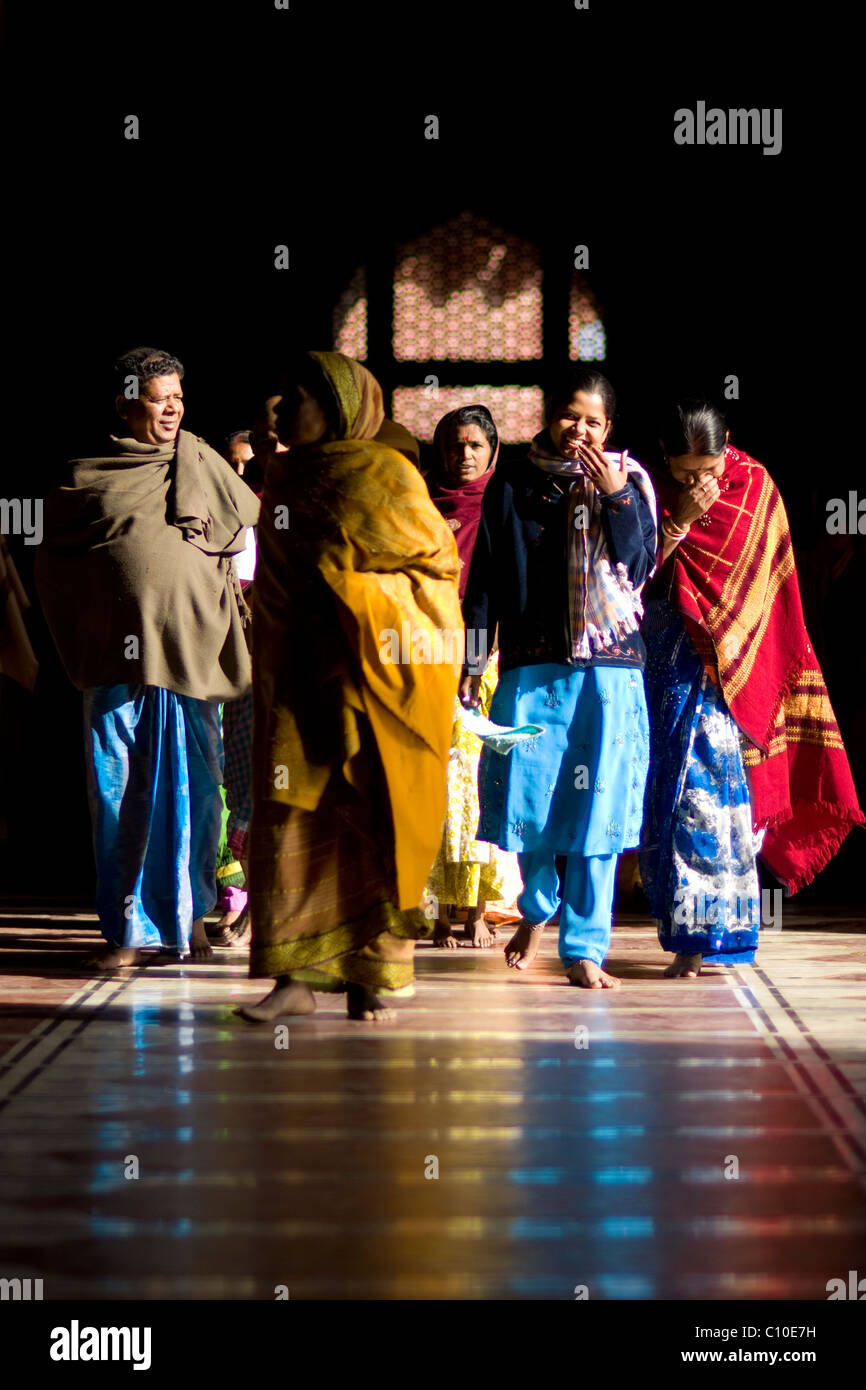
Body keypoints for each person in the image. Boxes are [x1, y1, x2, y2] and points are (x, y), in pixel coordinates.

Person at [239, 350, 462, 1023]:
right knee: (290, 814)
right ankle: (293, 978)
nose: (277, 411)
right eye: (277, 395)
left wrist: (349, 589)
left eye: (294, 396)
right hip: (295, 678)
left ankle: (373, 977)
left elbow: (435, 573)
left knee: (370, 816)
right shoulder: (285, 474)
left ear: (337, 407)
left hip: (370, 681)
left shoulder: (381, 473)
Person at [35, 347, 259, 969]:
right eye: (160, 397)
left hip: (190, 661)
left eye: (179, 397)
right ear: (125, 402)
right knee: (123, 798)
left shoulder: (203, 462)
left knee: (195, 797)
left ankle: (187, 926)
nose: (172, 408)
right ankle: (133, 935)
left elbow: (246, 535)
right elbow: (53, 569)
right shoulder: (87, 477)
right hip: (117, 668)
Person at [640, 399, 864, 976]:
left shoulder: (757, 487)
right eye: (685, 473)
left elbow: (772, 592)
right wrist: (679, 521)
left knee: (713, 799)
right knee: (667, 794)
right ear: (665, 458)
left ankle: (712, 937)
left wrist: (739, 652)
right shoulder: (645, 489)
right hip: (666, 661)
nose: (700, 482)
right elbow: (629, 578)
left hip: (734, 675)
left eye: (707, 470)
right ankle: (685, 931)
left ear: (727, 444)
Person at [461, 367, 657, 988]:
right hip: (531, 663)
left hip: (607, 667)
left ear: (609, 429)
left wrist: (617, 495)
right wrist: (472, 659)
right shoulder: (513, 481)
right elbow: (486, 578)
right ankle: (537, 907)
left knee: (598, 809)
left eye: (593, 422)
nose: (580, 430)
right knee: (526, 798)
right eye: (571, 415)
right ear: (550, 415)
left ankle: (585, 947)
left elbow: (639, 563)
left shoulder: (630, 481)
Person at [425, 404, 522, 948]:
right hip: (423, 656)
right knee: (434, 783)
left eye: (475, 446)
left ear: (493, 452)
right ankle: (436, 910)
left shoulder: (504, 504)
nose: (464, 456)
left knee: (481, 783)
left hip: (487, 661)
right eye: (454, 446)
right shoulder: (418, 503)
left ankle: (479, 909)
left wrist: (478, 656)